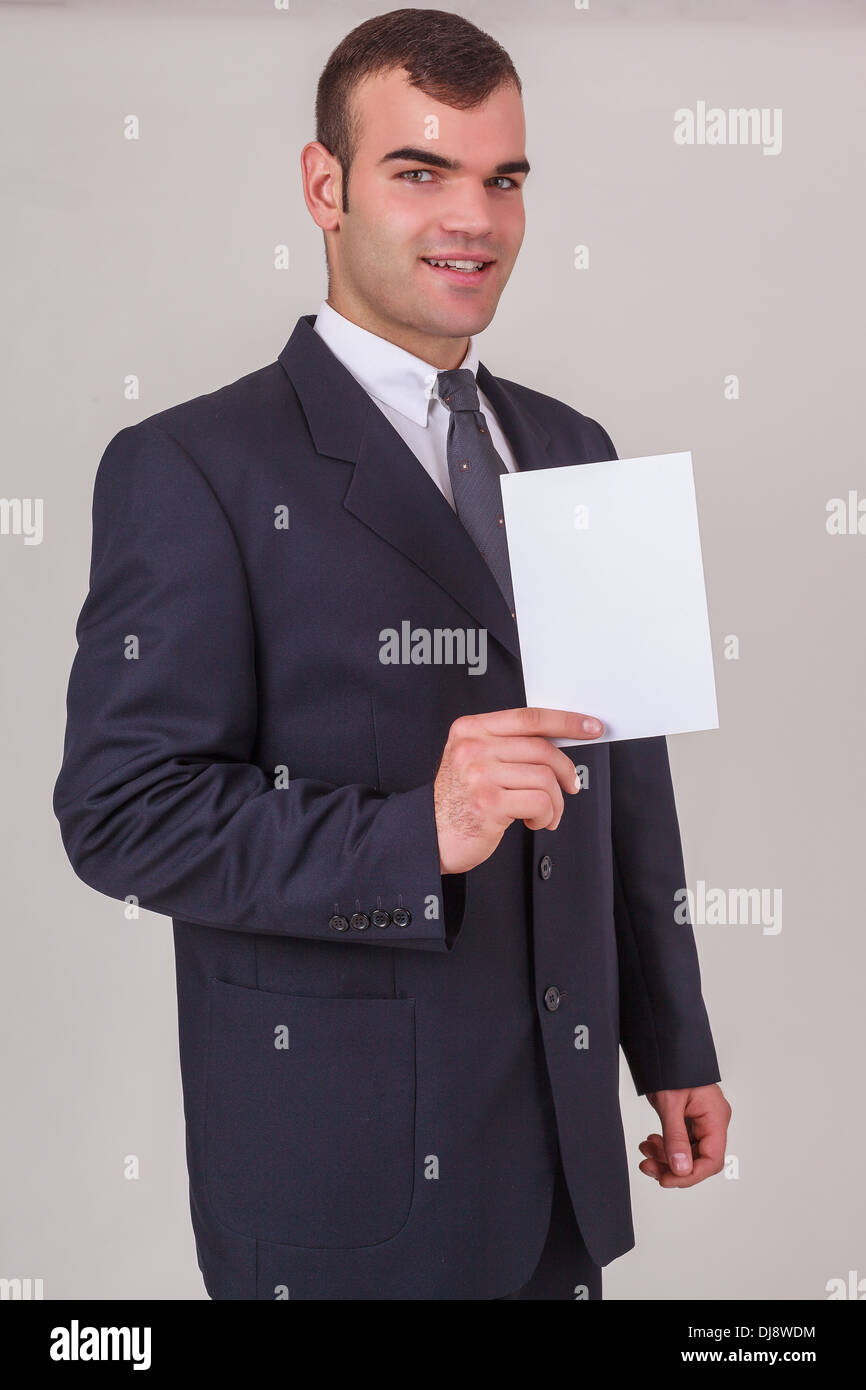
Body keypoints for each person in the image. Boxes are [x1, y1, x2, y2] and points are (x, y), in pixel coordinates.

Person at [53, 7, 730, 1301]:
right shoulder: (192, 469)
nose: (470, 218)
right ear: (325, 186)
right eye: (419, 173)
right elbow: (121, 814)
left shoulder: (575, 447)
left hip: (564, 1174)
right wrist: (415, 830)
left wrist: (671, 1043)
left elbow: (627, 778)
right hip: (343, 1187)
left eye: (502, 178)